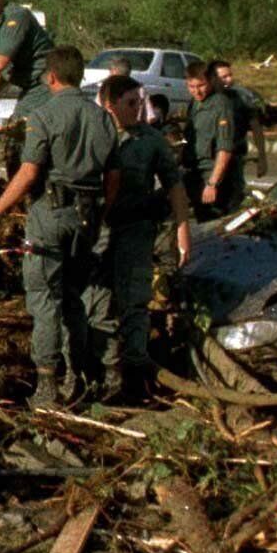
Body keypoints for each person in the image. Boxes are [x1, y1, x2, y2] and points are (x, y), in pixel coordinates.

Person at [0, 46, 117, 408]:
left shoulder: (43, 115)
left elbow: (28, 173)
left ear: (51, 77)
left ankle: (47, 386)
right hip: (86, 220)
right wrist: (102, 212)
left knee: (44, 302)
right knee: (74, 298)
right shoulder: (102, 118)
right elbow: (113, 176)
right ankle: (78, 377)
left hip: (49, 219)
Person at [87, 74, 192, 401]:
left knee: (135, 301)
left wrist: (183, 231)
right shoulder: (93, 135)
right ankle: (102, 371)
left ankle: (133, 374)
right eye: (131, 103)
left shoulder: (150, 140)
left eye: (140, 102)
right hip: (98, 232)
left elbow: (174, 185)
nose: (139, 109)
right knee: (96, 301)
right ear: (110, 104)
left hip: (136, 230)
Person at [183, 61, 243, 220]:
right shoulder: (194, 104)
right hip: (195, 172)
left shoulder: (221, 104)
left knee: (213, 222)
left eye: (201, 86)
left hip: (212, 174)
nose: (196, 91)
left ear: (210, 81)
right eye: (191, 87)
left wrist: (212, 183)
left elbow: (225, 147)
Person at [210, 58, 269, 178]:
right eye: (224, 77)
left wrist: (262, 157)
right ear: (213, 79)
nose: (229, 80)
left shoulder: (242, 97)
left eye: (230, 75)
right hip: (209, 159)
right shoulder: (204, 98)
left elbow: (256, 127)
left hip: (234, 157)